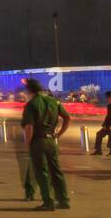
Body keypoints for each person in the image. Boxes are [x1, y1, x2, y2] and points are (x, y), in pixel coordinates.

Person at [20, 78, 72, 211]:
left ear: (28, 90)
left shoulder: (31, 105)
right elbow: (67, 117)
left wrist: (28, 143)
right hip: (51, 141)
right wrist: (59, 134)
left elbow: (29, 126)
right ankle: (64, 201)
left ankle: (48, 202)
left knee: (42, 173)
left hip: (38, 141)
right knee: (57, 171)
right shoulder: (53, 101)